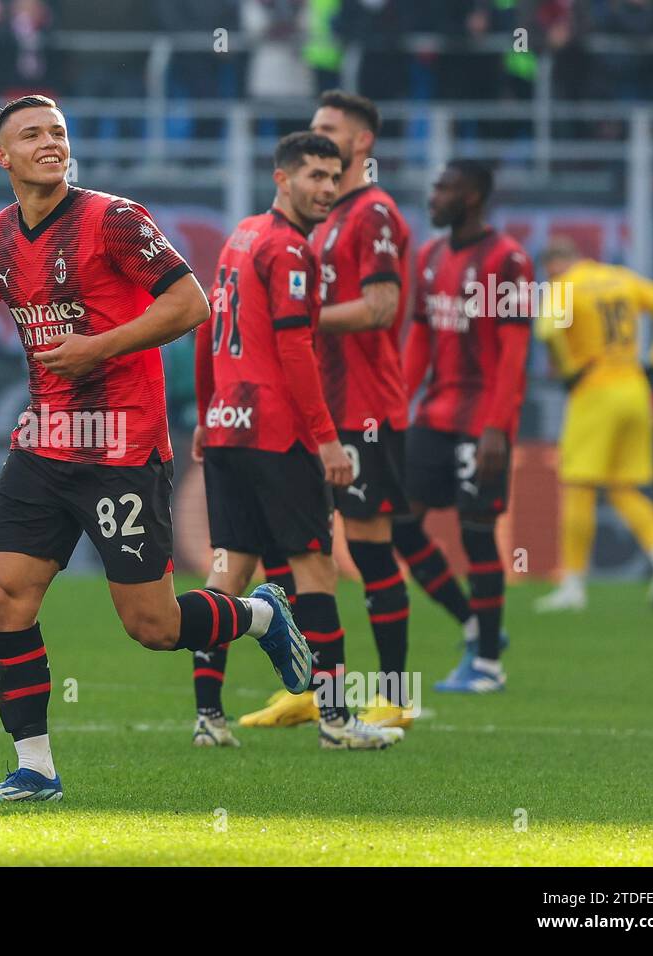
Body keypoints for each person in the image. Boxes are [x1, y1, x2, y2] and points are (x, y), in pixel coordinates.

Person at [0, 95, 310, 802]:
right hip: (45, 444)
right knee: (8, 597)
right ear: (4, 158)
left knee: (152, 625)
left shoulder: (113, 219)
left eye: (57, 131)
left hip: (123, 444)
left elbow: (190, 304)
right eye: (32, 135)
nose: (50, 143)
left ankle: (260, 612)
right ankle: (36, 771)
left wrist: (96, 349)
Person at [190, 131, 403, 751]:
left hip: (229, 429)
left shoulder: (240, 238)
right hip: (276, 434)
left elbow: (207, 327)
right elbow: (295, 349)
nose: (327, 188)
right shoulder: (289, 251)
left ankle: (209, 716)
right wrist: (328, 440)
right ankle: (336, 720)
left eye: (334, 177)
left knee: (229, 570)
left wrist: (207, 413)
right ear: (281, 178)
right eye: (313, 175)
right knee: (315, 570)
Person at [240, 90, 415, 732]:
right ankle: (316, 688)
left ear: (361, 142)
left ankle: (396, 694)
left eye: (328, 128)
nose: (316, 135)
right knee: (291, 549)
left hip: (364, 409)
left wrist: (298, 321)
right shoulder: (326, 216)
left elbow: (381, 307)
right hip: (310, 407)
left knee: (370, 553)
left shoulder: (373, 213)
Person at [393, 159, 534, 694]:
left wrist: (498, 427)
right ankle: (476, 625)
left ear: (472, 197)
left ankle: (489, 668)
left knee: (477, 535)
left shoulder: (510, 261)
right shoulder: (428, 258)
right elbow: (421, 341)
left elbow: (514, 351)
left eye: (445, 188)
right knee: (402, 522)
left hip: (483, 422)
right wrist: (397, 405)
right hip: (436, 414)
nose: (434, 196)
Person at [532, 237, 653, 612]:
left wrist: (569, 371)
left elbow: (547, 331)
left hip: (595, 391)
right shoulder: (619, 278)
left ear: (555, 263)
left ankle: (573, 585)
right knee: (622, 487)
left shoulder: (565, 286)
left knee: (579, 484)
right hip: (635, 389)